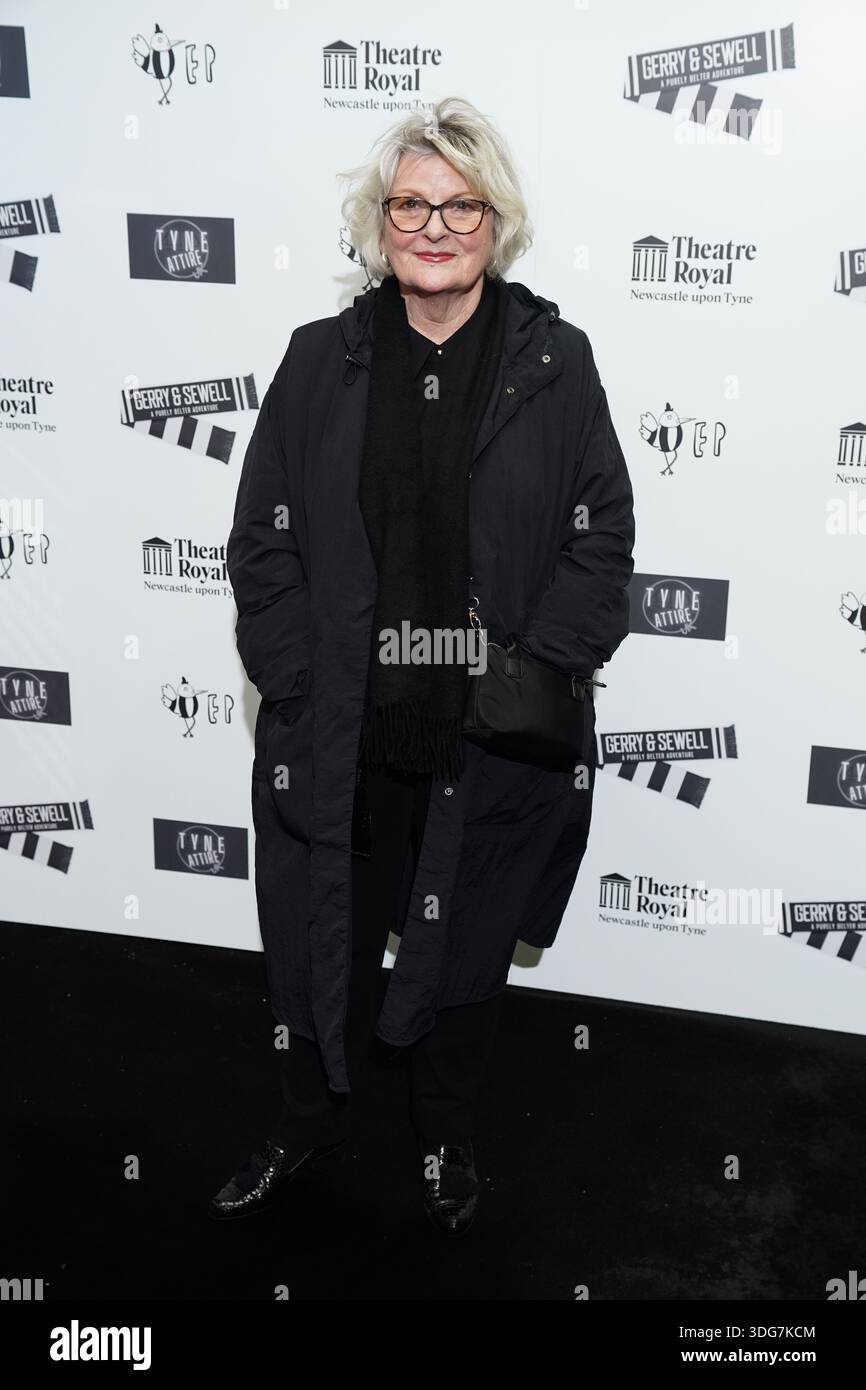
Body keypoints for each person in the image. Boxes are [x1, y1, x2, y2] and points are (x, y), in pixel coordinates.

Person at [213, 96, 635, 1236]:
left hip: (485, 734)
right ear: (378, 222)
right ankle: (309, 1118)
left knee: (466, 946)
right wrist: (299, 681)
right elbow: (261, 537)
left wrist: (525, 675)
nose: (434, 227)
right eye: (410, 204)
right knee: (323, 941)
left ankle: (445, 1135)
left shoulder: (555, 363)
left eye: (460, 206)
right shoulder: (319, 360)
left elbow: (601, 535)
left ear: (496, 222)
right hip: (342, 725)